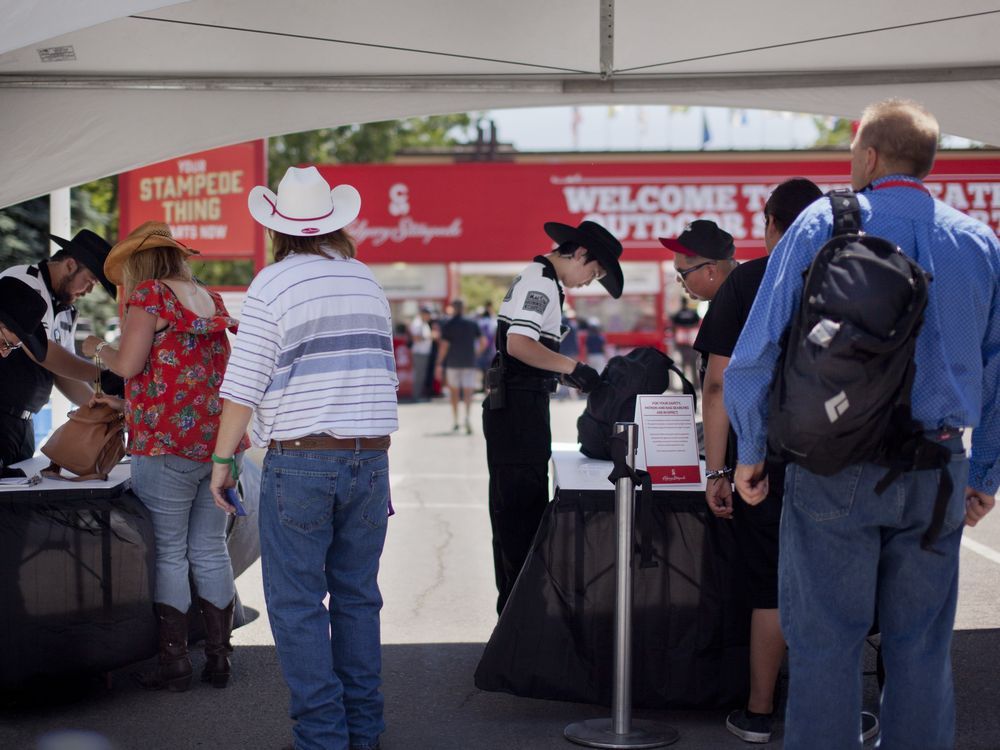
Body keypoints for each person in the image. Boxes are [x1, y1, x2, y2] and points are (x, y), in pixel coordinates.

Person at [725, 99, 999, 750]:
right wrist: (985, 473)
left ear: (870, 156)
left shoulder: (823, 221)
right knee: (921, 648)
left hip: (834, 462)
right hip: (938, 466)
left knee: (826, 643)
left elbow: (756, 352)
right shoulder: (978, 241)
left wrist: (751, 450)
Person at [210, 166, 397, 750]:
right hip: (371, 458)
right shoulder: (365, 280)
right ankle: (363, 731)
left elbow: (243, 385)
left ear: (277, 228)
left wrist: (222, 461)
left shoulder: (272, 283)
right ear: (334, 224)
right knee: (357, 597)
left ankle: (322, 737)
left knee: (296, 603)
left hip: (302, 459)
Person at [697, 178, 875, 744]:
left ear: (772, 223)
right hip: (850, 454)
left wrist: (718, 469)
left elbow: (719, 385)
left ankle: (758, 712)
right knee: (835, 580)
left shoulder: (750, 279)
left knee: (770, 584)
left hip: (767, 457)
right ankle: (840, 709)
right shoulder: (863, 274)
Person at [81, 221, 249, 693]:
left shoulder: (151, 295)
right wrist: (128, 403)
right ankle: (219, 659)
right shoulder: (209, 299)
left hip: (164, 446)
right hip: (216, 445)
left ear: (141, 262)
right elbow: (191, 376)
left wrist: (97, 347)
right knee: (210, 549)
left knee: (171, 552)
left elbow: (128, 364)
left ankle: (175, 664)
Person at [484, 219, 623, 615]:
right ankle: (521, 624)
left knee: (512, 517)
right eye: (594, 271)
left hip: (514, 405)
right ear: (579, 253)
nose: (589, 282)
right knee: (522, 517)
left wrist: (564, 374)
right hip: (519, 410)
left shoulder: (538, 277)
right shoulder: (542, 283)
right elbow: (519, 344)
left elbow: (521, 350)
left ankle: (513, 619)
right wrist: (573, 367)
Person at [0, 229, 115, 466]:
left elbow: (63, 374)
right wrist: (102, 374)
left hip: (24, 423)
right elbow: (45, 354)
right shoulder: (24, 282)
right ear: (70, 265)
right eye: (90, 280)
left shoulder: (67, 311)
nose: (89, 291)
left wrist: (101, 409)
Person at [658, 219, 739, 386]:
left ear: (710, 271)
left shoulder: (732, 307)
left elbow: (717, 386)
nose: (679, 280)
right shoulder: (734, 296)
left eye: (683, 273)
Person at [435, 298, 487, 434]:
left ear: (453, 308)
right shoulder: (472, 323)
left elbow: (444, 346)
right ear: (464, 308)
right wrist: (476, 354)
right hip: (469, 362)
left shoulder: (448, 324)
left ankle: (456, 420)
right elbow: (483, 342)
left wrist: (439, 363)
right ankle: (467, 417)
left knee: (454, 392)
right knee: (468, 392)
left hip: (453, 362)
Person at [669, 298, 701, 390]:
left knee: (683, 364)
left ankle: (685, 384)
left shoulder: (678, 314)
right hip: (691, 341)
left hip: (681, 342)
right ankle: (696, 384)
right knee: (693, 364)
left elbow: (673, 326)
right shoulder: (693, 313)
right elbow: (698, 323)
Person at [408, 306, 433, 401]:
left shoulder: (424, 323)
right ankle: (416, 396)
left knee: (421, 375)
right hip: (419, 353)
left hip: (424, 352)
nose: (429, 316)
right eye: (428, 314)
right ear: (423, 314)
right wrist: (430, 337)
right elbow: (416, 338)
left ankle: (418, 395)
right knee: (419, 375)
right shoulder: (417, 323)